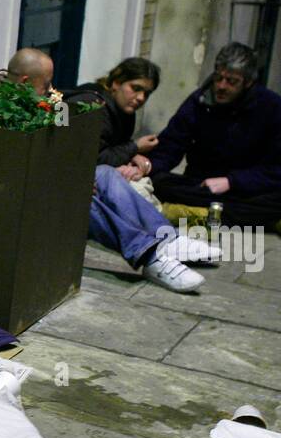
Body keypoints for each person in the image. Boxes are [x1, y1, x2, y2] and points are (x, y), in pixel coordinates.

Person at [67, 58, 219, 293]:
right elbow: (88, 156)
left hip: (88, 175)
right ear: (115, 83)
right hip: (68, 179)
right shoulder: (92, 104)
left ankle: (167, 239)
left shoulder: (121, 111)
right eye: (135, 88)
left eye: (146, 93)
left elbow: (105, 151)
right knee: (96, 188)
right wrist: (134, 148)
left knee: (112, 175)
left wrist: (132, 156)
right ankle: (151, 255)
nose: (140, 98)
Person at [148, 42, 281, 238]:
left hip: (247, 188)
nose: (221, 86)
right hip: (202, 187)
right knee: (157, 182)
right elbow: (171, 144)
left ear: (248, 82)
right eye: (218, 78)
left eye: (231, 81)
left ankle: (202, 216)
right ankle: (267, 218)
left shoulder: (271, 106)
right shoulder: (200, 101)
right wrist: (147, 166)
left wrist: (232, 181)